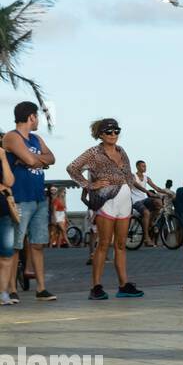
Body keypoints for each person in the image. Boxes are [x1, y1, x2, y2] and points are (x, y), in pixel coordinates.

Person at [66, 119, 144, 299]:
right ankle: (96, 287)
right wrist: (89, 184)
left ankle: (123, 285)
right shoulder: (94, 152)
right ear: (100, 134)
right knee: (103, 244)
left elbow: (129, 176)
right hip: (106, 202)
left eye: (116, 131)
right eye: (109, 131)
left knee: (121, 245)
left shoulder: (121, 151)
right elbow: (72, 168)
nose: (113, 134)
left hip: (125, 202)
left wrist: (148, 190)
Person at [4, 101, 57, 300]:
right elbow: (32, 160)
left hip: (38, 198)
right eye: (37, 117)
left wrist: (37, 160)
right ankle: (11, 289)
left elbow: (51, 158)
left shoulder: (36, 139)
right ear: (31, 117)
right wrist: (36, 160)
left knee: (37, 244)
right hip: (19, 198)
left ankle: (41, 288)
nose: (38, 121)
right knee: (15, 245)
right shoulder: (12, 137)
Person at [0, 152, 18, 305]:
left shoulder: (2, 157)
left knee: (6, 255)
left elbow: (10, 181)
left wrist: (3, 158)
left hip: (4, 213)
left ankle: (2, 293)